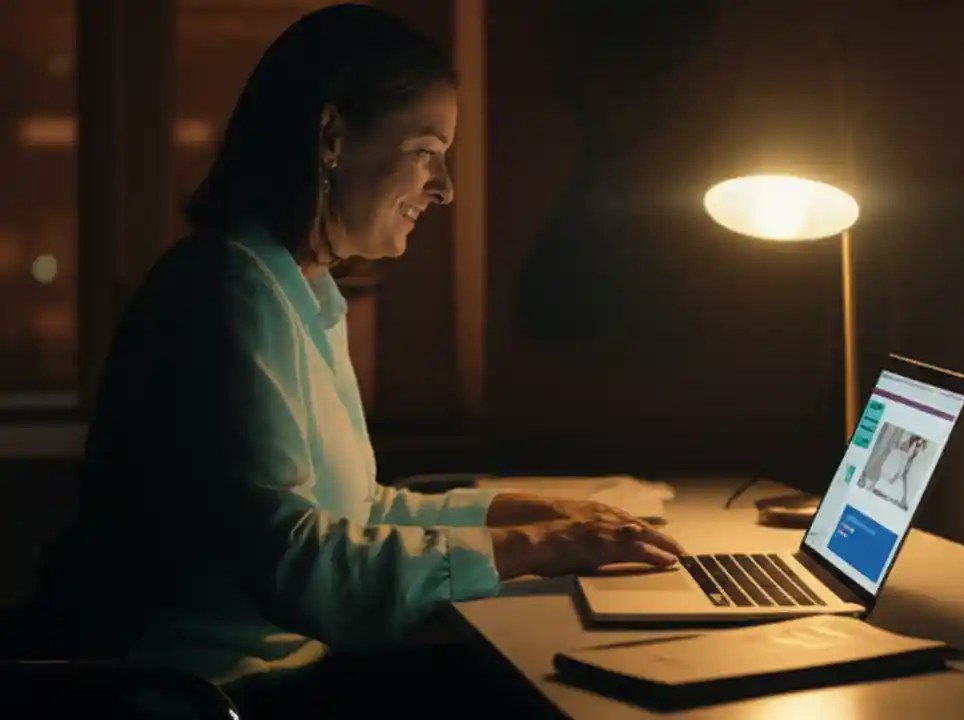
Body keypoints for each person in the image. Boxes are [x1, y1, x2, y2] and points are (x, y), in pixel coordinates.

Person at [37, 4, 682, 714]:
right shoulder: (228, 289)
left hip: (281, 676)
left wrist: (524, 513)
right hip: (212, 695)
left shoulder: (296, 285)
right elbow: (300, 565)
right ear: (333, 138)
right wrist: (534, 547)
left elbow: (359, 509)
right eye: (424, 152)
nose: (444, 188)